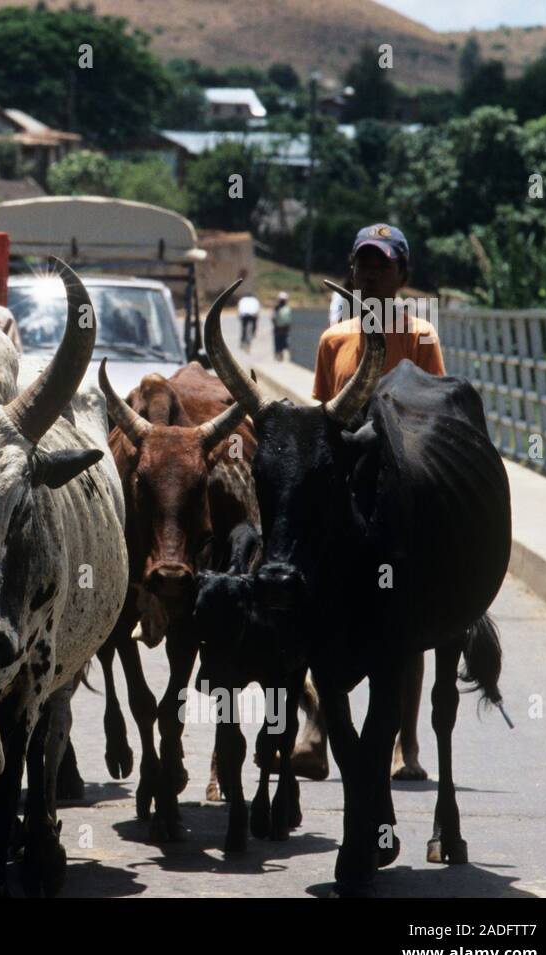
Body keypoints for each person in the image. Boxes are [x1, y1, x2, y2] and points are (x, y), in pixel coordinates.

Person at [295, 223, 444, 783]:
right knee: (302, 592)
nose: (373, 273)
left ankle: (407, 744)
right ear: (351, 271)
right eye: (364, 263)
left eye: (384, 264)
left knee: (408, 619)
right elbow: (320, 420)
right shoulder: (334, 340)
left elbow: (436, 411)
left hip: (398, 490)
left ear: (403, 275)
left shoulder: (421, 334)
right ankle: (318, 730)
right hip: (344, 492)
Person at [236, 273, 260, 350]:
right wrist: (257, 315)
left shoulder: (243, 300)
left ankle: (243, 341)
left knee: (243, 328)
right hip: (252, 315)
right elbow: (257, 309)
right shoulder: (254, 300)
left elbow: (240, 308)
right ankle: (253, 333)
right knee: (254, 323)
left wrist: (239, 315)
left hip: (244, 315)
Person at [271, 291, 292, 361]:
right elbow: (273, 318)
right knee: (278, 342)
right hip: (278, 328)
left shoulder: (288, 308)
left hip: (285, 329)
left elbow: (289, 318)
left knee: (285, 342)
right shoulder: (276, 308)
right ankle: (278, 355)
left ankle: (283, 354)